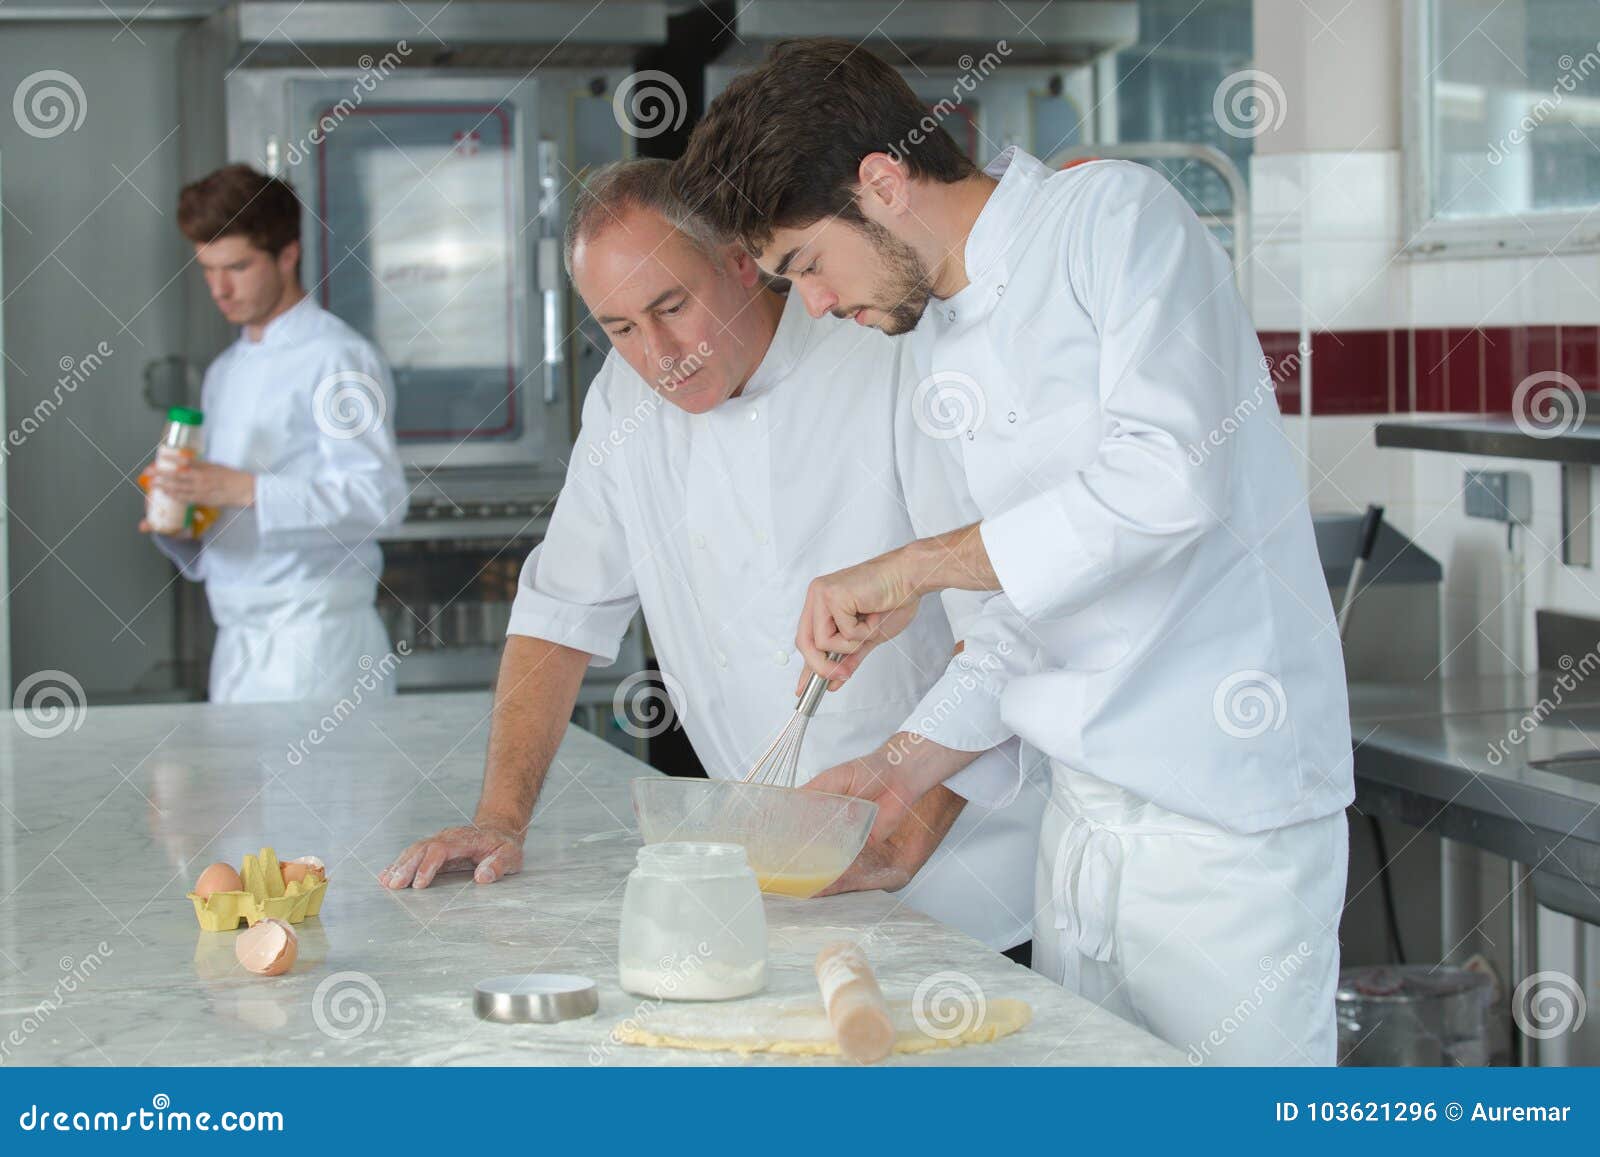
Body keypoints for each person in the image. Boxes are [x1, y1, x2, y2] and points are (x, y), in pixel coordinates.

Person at [672, 39, 1355, 1064]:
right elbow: (1017, 620)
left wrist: (910, 566)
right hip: (1080, 830)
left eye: (805, 263)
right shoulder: (938, 339)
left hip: (1223, 828)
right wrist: (894, 770)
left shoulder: (1110, 220)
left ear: (883, 181)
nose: (812, 304)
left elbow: (1171, 476)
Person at [380, 160, 1044, 954]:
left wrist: (909, 834)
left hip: (971, 883)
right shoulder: (624, 406)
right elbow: (558, 616)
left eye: (672, 306)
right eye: (620, 329)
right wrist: (499, 819)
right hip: (787, 891)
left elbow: (1008, 620)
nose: (659, 354)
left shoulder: (883, 357)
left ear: (738, 260)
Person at [144, 164, 407, 703]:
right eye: (207, 269)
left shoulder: (338, 358)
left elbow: (379, 500)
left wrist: (243, 489)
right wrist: (183, 520)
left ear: (288, 254)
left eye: (237, 266)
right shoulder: (225, 370)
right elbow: (235, 519)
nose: (220, 288)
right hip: (237, 644)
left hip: (317, 650)